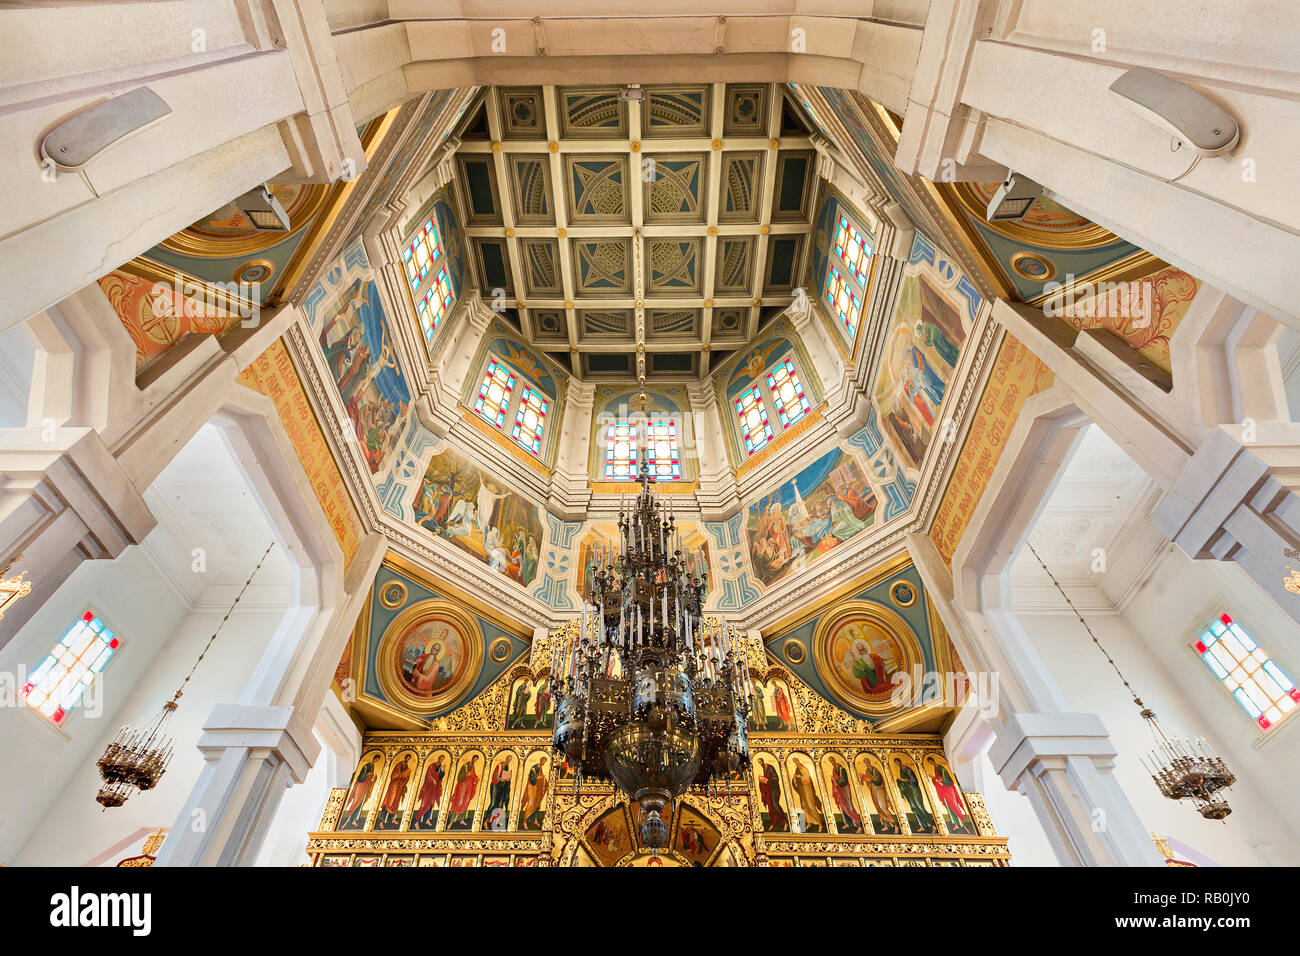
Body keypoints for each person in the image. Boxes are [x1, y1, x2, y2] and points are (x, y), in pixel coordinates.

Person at [339, 753, 381, 830]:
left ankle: (354, 819)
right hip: (361, 786)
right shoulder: (367, 766)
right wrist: (368, 774)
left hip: (366, 787)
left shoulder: (372, 766)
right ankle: (349, 819)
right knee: (356, 801)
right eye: (376, 759)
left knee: (361, 803)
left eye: (378, 760)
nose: (376, 761)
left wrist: (372, 779)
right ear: (374, 758)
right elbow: (361, 777)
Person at [859, 762, 900, 834]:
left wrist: (869, 779)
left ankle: (896, 825)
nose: (867, 764)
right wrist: (865, 779)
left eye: (867, 762)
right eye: (865, 762)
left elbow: (878, 781)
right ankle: (886, 825)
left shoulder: (875, 770)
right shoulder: (868, 771)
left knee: (883, 807)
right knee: (878, 808)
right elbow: (869, 782)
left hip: (879, 789)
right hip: (873, 790)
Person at [374, 753, 412, 830]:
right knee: (389, 801)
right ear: (405, 757)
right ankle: (381, 820)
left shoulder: (407, 767)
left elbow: (407, 778)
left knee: (396, 802)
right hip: (394, 785)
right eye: (407, 758)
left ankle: (391, 818)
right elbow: (394, 774)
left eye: (409, 758)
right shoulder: (399, 765)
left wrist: (403, 782)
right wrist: (400, 776)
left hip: (400, 787)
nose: (408, 759)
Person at [411, 755, 446, 830]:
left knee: (431, 804)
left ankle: (427, 819)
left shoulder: (440, 767)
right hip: (428, 788)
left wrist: (443, 771)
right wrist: (432, 779)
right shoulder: (432, 766)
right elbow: (428, 775)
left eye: (442, 759)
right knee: (424, 804)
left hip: (434, 789)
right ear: (438, 758)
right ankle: (416, 821)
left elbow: (439, 778)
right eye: (440, 758)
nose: (441, 760)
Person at [519, 756, 549, 830]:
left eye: (545, 762)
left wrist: (543, 779)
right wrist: (537, 778)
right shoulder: (534, 767)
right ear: (541, 760)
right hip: (532, 787)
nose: (544, 763)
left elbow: (540, 777)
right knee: (531, 804)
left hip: (537, 788)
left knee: (537, 804)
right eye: (543, 761)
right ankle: (525, 821)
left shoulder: (540, 768)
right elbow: (531, 778)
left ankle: (535, 820)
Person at [757, 758, 787, 831]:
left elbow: (776, 778)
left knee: (775, 805)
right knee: (770, 807)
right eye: (759, 763)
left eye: (760, 762)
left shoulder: (770, 767)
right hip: (769, 790)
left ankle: (785, 822)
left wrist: (767, 780)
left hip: (774, 789)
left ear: (763, 761)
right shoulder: (764, 768)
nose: (760, 764)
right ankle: (774, 823)